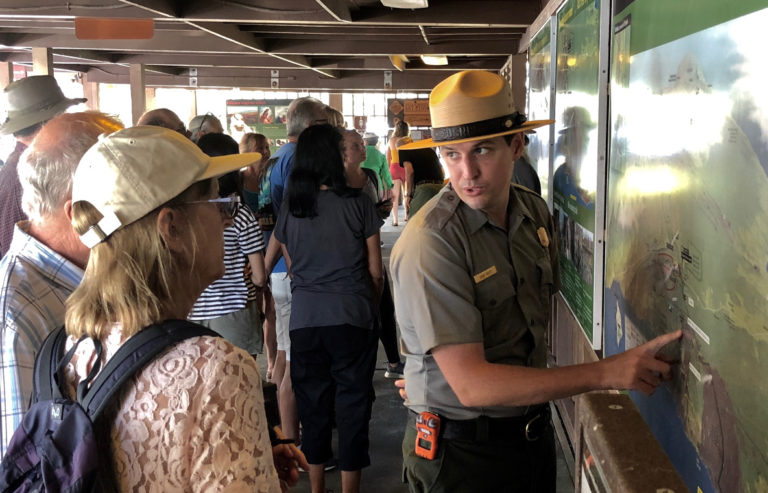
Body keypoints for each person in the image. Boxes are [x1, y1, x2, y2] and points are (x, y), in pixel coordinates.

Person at [390, 70, 682, 493]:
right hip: (461, 458)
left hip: (528, 438)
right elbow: (471, 386)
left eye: (483, 150)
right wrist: (606, 373)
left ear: (517, 145)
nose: (466, 172)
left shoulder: (532, 215)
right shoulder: (434, 242)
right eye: (451, 154)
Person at [62, 126, 306, 490]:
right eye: (216, 203)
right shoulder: (217, 370)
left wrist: (240, 454)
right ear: (171, 227)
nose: (226, 217)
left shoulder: (74, 347)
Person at [267, 124, 383, 493]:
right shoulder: (358, 203)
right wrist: (369, 306)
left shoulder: (291, 209)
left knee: (313, 408)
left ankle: (316, 488)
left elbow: (291, 264)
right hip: (353, 317)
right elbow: (376, 273)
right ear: (333, 157)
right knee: (353, 407)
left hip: (306, 320)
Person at [0, 112, 122, 456]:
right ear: (80, 210)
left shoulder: (90, 277)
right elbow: (22, 471)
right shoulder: (15, 315)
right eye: (125, 193)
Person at [267, 96, 328, 443]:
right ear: (307, 127)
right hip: (291, 272)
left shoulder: (278, 157)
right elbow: (291, 221)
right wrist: (298, 271)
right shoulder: (296, 160)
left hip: (281, 270)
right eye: (321, 125)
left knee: (284, 357)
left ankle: (288, 426)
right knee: (292, 362)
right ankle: (292, 440)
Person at [188, 133, 267, 358]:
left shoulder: (188, 213)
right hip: (235, 314)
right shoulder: (239, 214)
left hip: (194, 314)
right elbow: (259, 276)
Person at [0, 75, 86, 257]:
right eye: (63, 116)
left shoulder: (38, 165)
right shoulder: (17, 180)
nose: (68, 122)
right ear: (48, 123)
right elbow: (14, 255)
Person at [341, 130, 403, 379]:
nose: (363, 148)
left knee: (383, 308)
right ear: (342, 151)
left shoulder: (370, 177)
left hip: (372, 250)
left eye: (361, 143)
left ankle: (393, 361)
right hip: (350, 257)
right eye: (356, 145)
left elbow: (375, 217)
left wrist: (382, 211)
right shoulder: (335, 183)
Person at [240, 132, 278, 379]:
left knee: (272, 308)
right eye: (260, 148)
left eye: (266, 147)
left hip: (270, 247)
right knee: (254, 308)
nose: (265, 152)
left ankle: (273, 362)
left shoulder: (270, 177)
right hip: (246, 255)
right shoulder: (239, 180)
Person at [399, 146, 444, 219]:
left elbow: (409, 172)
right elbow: (442, 171)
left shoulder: (404, 149)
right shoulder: (429, 150)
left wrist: (408, 195)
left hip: (424, 189)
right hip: (440, 186)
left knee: (414, 220)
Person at [386, 120, 410, 226]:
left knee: (395, 196)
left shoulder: (391, 140)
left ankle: (395, 220)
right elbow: (412, 156)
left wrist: (387, 170)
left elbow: (388, 157)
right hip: (405, 167)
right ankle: (407, 216)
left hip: (394, 167)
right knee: (407, 194)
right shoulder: (408, 140)